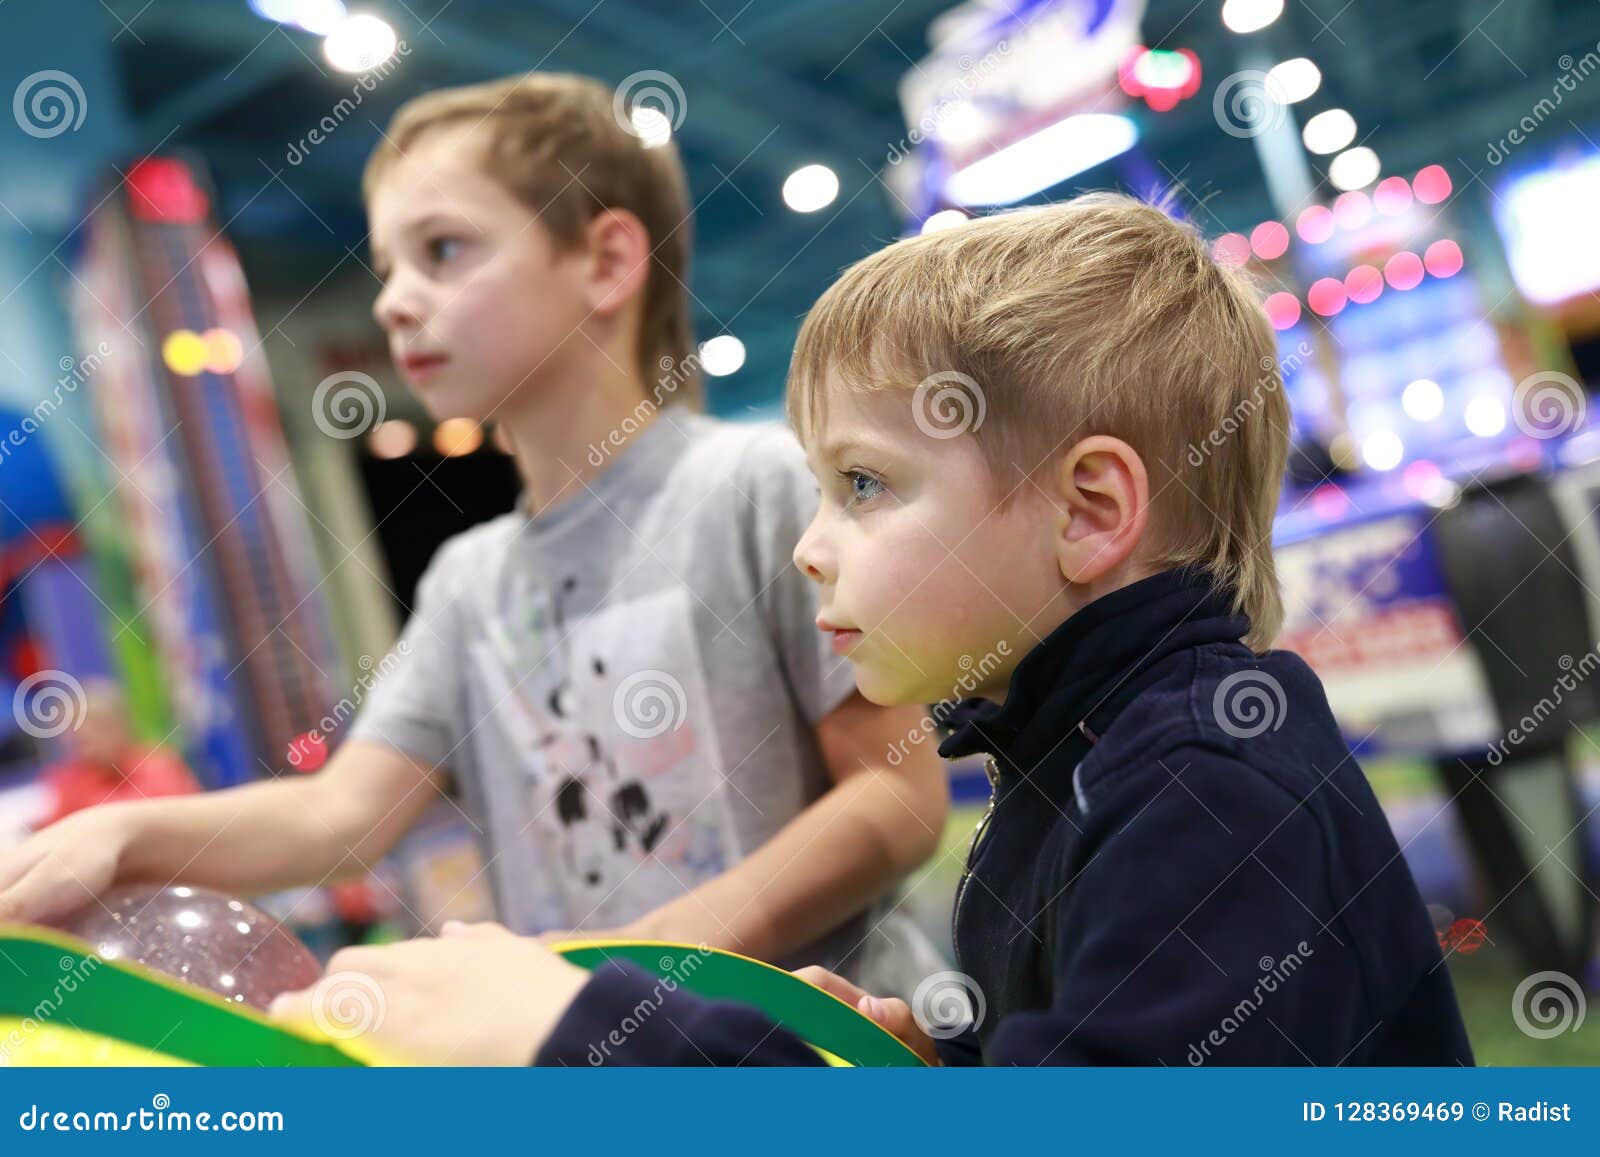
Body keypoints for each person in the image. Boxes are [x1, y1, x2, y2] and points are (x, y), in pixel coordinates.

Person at [273, 194, 1475, 1067]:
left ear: (1089, 509)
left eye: (864, 484)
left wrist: (577, 1033)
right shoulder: (1081, 763)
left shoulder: (1207, 790)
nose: (810, 544)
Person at [0, 72, 949, 996]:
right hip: (585, 1065)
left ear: (609, 261)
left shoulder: (755, 487)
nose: (393, 300)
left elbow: (896, 798)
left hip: (793, 1059)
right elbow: (341, 814)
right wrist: (123, 835)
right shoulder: (469, 577)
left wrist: (634, 959)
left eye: (444, 251)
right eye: (388, 268)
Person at [36, 680, 199, 828]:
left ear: (121, 725)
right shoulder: (70, 785)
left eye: (96, 726)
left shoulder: (159, 766)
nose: (84, 738)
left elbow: (190, 822)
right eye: (76, 733)